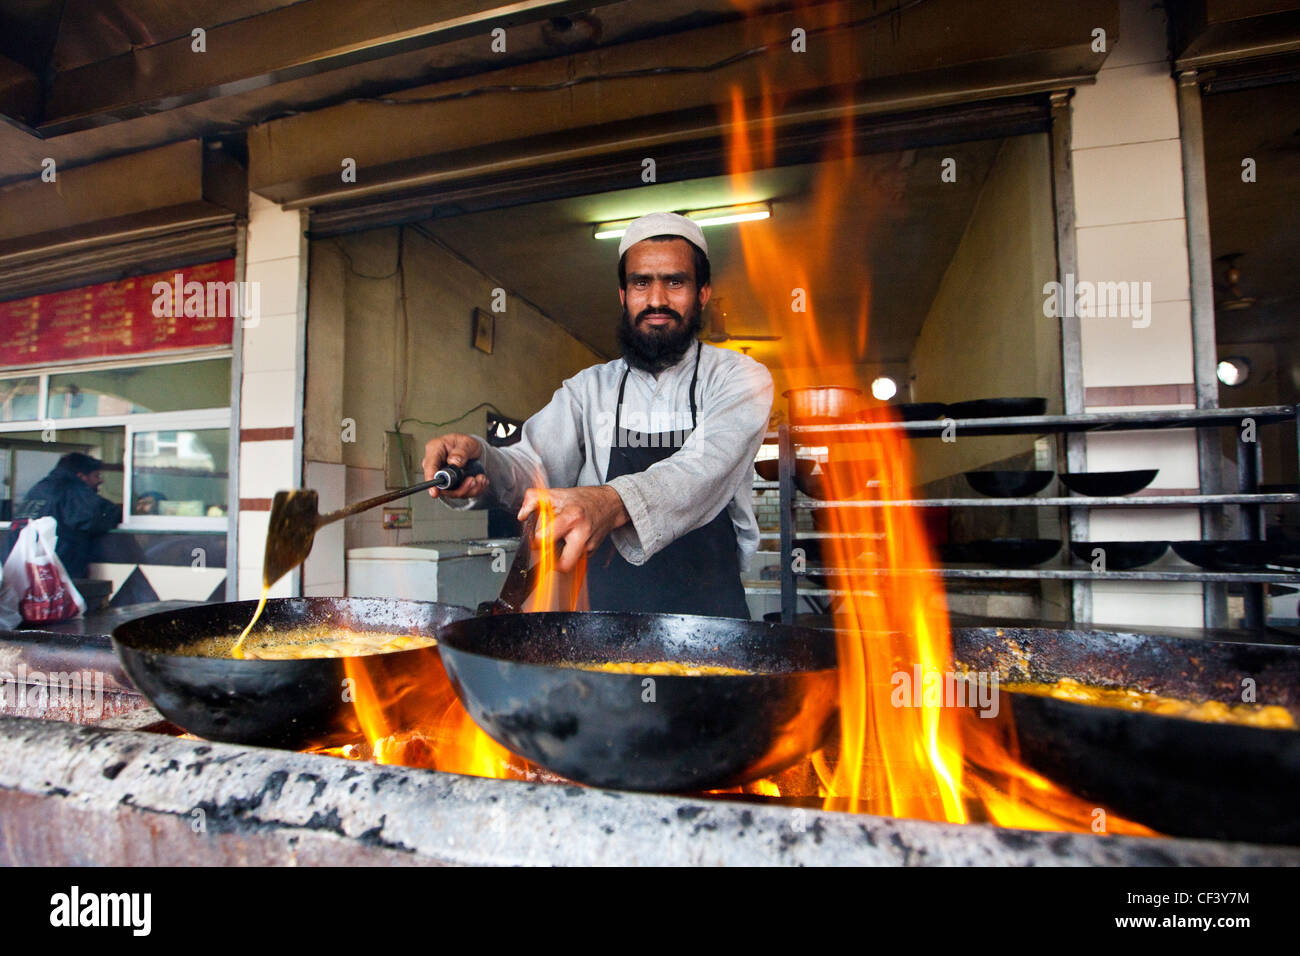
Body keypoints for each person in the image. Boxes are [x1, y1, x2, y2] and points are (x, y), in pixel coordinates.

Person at [423, 212, 774, 618]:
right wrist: (479, 462)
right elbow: (531, 464)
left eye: (675, 282)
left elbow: (706, 467)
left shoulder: (740, 379)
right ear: (624, 295)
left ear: (703, 293)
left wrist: (609, 501)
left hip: (713, 620)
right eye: (642, 282)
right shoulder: (588, 390)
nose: (657, 300)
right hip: (605, 624)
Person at [14, 452, 122, 578]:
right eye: (96, 475)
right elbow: (100, 516)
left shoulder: (38, 489)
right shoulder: (72, 490)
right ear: (81, 476)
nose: (100, 480)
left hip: (23, 570)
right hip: (57, 572)